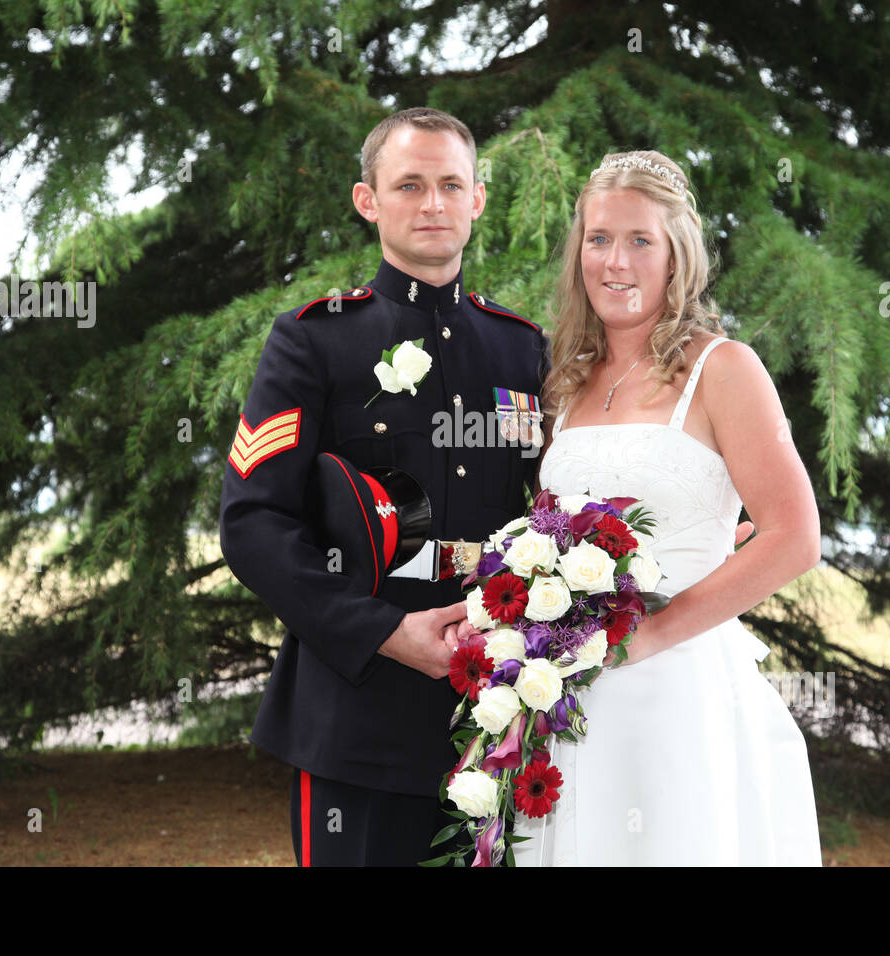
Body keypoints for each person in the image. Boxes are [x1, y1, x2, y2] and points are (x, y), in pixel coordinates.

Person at [219, 108, 549, 866]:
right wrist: (380, 633)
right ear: (368, 200)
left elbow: (554, 507)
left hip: (500, 713)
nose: (432, 204)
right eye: (409, 185)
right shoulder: (314, 340)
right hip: (357, 713)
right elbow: (253, 524)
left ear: (478, 201)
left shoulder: (522, 349)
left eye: (449, 185)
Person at [510, 150, 823, 865]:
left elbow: (794, 536)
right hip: (565, 695)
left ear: (677, 255)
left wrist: (647, 637)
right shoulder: (565, 380)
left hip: (681, 691)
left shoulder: (725, 369)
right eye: (598, 239)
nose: (615, 261)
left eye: (639, 241)